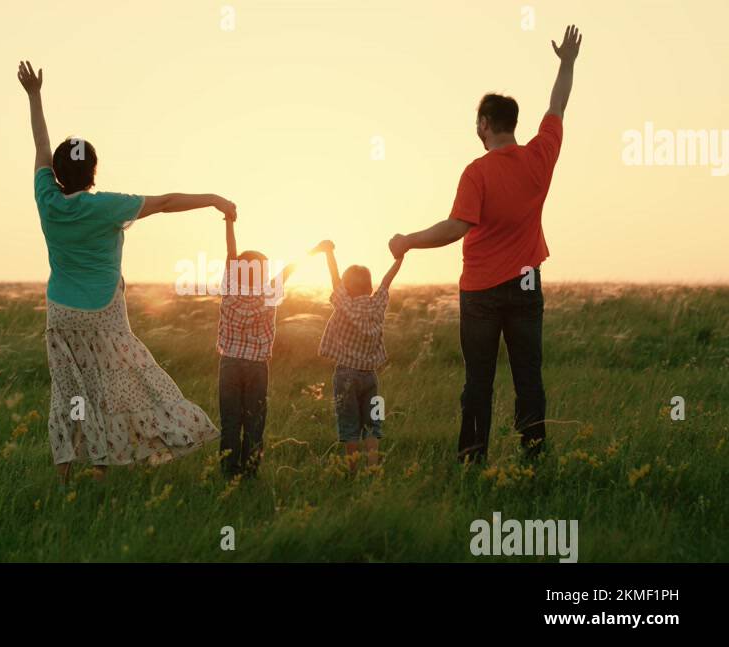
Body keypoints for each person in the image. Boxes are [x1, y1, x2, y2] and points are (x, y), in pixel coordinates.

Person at [17, 60, 235, 481]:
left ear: (58, 173)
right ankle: (114, 462)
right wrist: (213, 198)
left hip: (60, 312)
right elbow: (167, 202)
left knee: (67, 395)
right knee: (118, 388)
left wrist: (34, 96)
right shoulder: (106, 205)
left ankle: (68, 480)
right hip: (104, 313)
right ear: (93, 172)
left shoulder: (46, 198)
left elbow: (40, 146)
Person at [388, 26, 583, 463]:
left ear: (484, 125)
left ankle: (472, 460)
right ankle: (533, 458)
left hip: (480, 292)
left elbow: (456, 227)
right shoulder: (540, 156)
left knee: (478, 381)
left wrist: (407, 241)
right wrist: (567, 63)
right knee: (528, 377)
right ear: (512, 124)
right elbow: (558, 105)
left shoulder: (477, 172)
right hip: (528, 285)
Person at [216, 215, 302, 479]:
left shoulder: (229, 287)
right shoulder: (270, 292)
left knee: (230, 422)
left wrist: (229, 222)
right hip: (257, 367)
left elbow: (231, 253)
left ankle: (229, 473)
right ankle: (251, 473)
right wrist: (313, 251)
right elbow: (289, 269)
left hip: (230, 364)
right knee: (254, 422)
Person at [311, 240, 403, 471]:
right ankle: (372, 468)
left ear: (346, 287)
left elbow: (334, 279)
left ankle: (352, 472)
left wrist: (329, 253)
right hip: (371, 377)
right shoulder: (377, 305)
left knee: (349, 424)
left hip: (345, 376)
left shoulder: (345, 305)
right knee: (373, 424)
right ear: (369, 287)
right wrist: (400, 257)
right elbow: (387, 281)